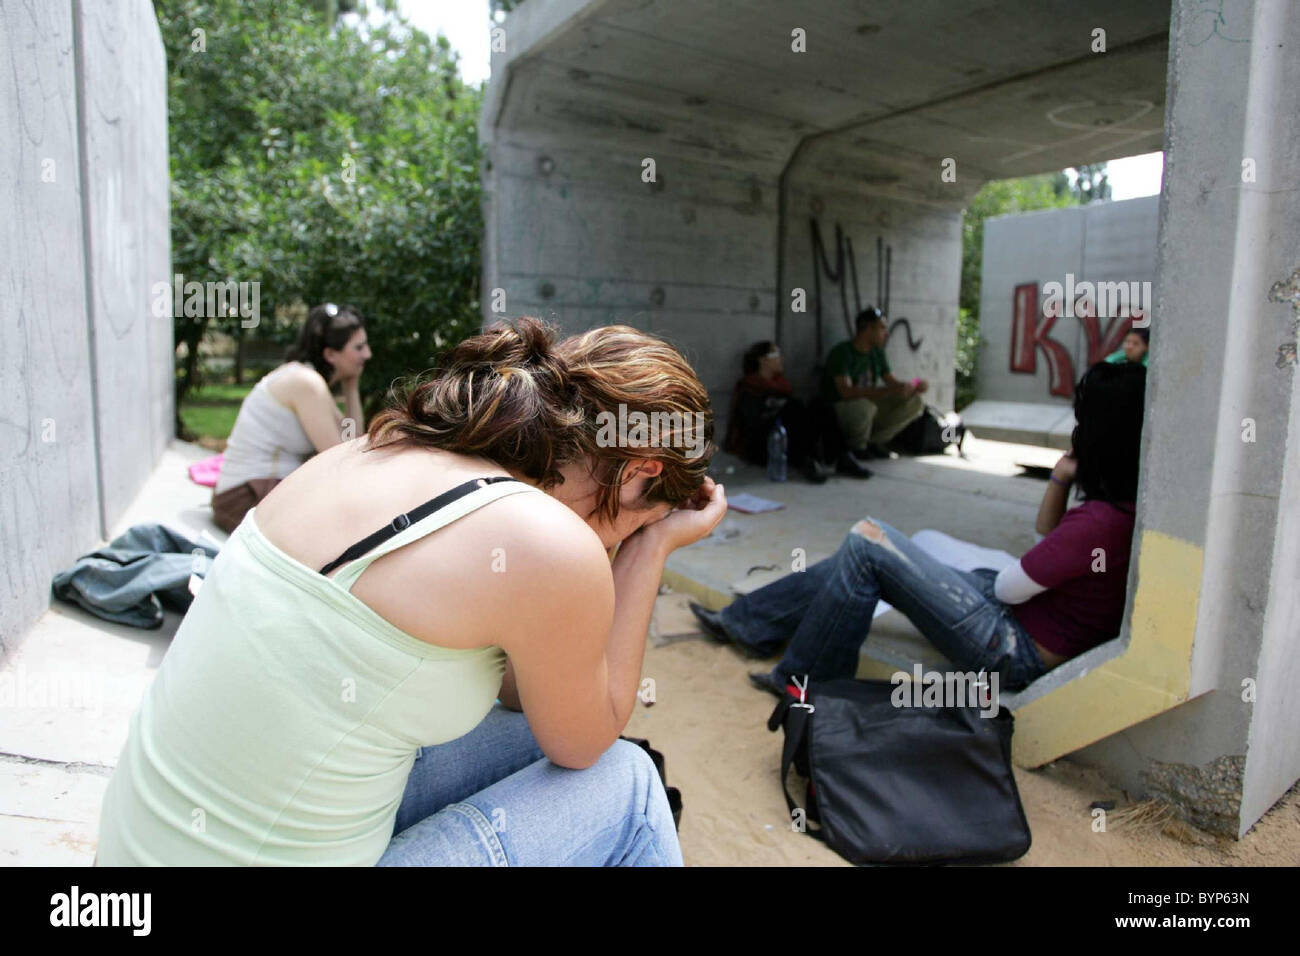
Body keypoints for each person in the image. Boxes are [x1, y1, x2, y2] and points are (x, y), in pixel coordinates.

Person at [95, 316, 727, 866]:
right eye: (647, 510)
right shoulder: (550, 545)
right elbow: (588, 739)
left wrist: (631, 526)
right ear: (644, 468)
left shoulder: (384, 447)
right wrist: (648, 549)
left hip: (145, 855)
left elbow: (528, 701)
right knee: (631, 786)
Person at [692, 360, 1146, 698]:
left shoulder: (1100, 522)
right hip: (1017, 622)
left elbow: (1010, 588)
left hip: (1010, 647)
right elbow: (1047, 540)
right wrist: (1060, 478)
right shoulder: (1120, 508)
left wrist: (983, 584)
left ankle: (803, 679)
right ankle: (751, 624)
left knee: (868, 543)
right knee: (865, 551)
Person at [211, 303, 372, 533]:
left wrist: (351, 387)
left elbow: (351, 438)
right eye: (359, 347)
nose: (368, 354)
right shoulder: (306, 383)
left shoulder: (307, 378)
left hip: (258, 493)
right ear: (329, 354)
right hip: (244, 499)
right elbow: (341, 460)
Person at [822, 306, 928, 462]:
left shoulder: (877, 353)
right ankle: (856, 448)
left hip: (867, 405)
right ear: (868, 329)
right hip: (840, 408)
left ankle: (874, 442)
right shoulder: (842, 353)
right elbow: (846, 392)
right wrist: (884, 391)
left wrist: (914, 385)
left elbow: (892, 383)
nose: (886, 333)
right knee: (865, 406)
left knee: (915, 402)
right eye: (882, 328)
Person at [724, 341, 837, 483]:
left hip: (786, 440)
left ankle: (838, 457)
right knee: (792, 408)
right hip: (764, 446)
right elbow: (752, 425)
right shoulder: (749, 387)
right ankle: (807, 460)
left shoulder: (781, 385)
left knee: (819, 404)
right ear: (763, 360)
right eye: (776, 354)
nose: (781, 359)